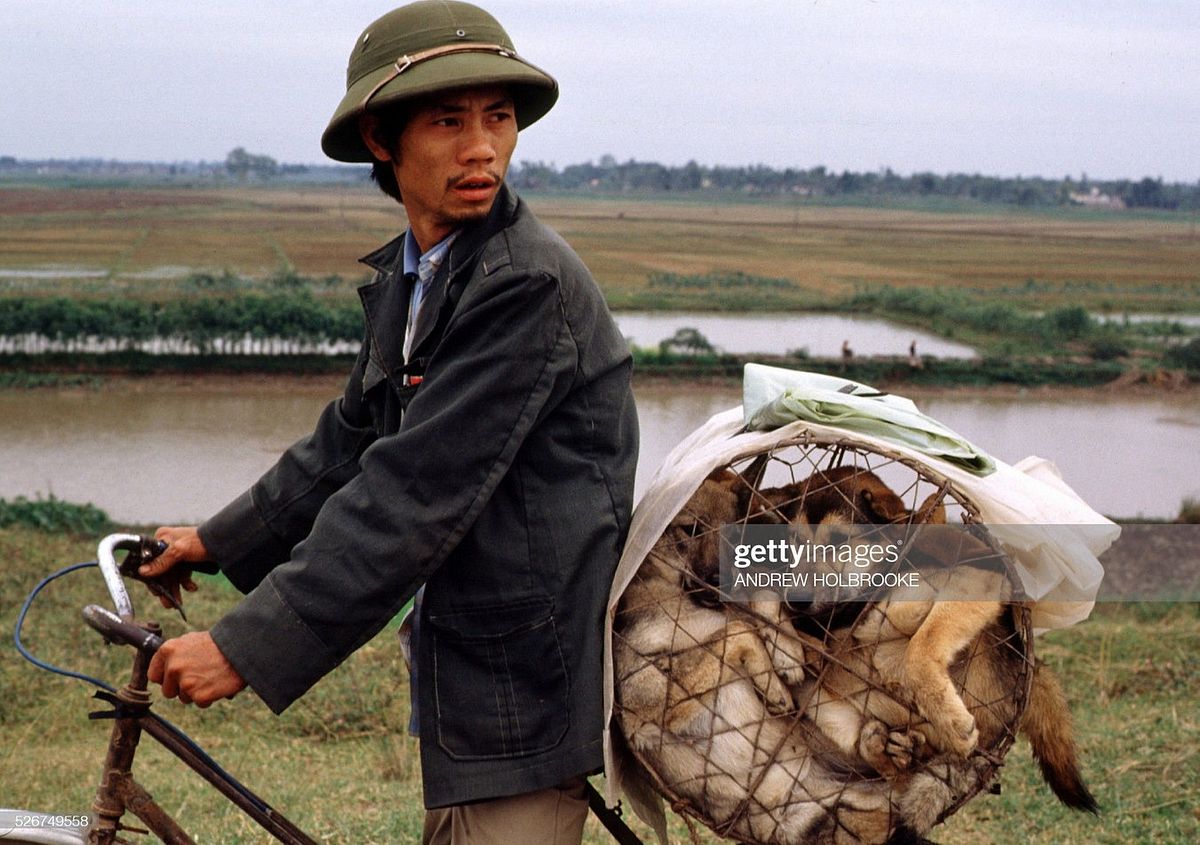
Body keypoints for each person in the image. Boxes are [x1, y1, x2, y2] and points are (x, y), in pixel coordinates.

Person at [139, 3, 639, 842]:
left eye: (498, 117)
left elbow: (414, 491)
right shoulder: (424, 271)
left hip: (528, 676)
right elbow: (355, 438)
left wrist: (245, 644)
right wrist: (218, 541)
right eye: (449, 121)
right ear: (382, 139)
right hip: (470, 675)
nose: (482, 147)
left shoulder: (525, 285)